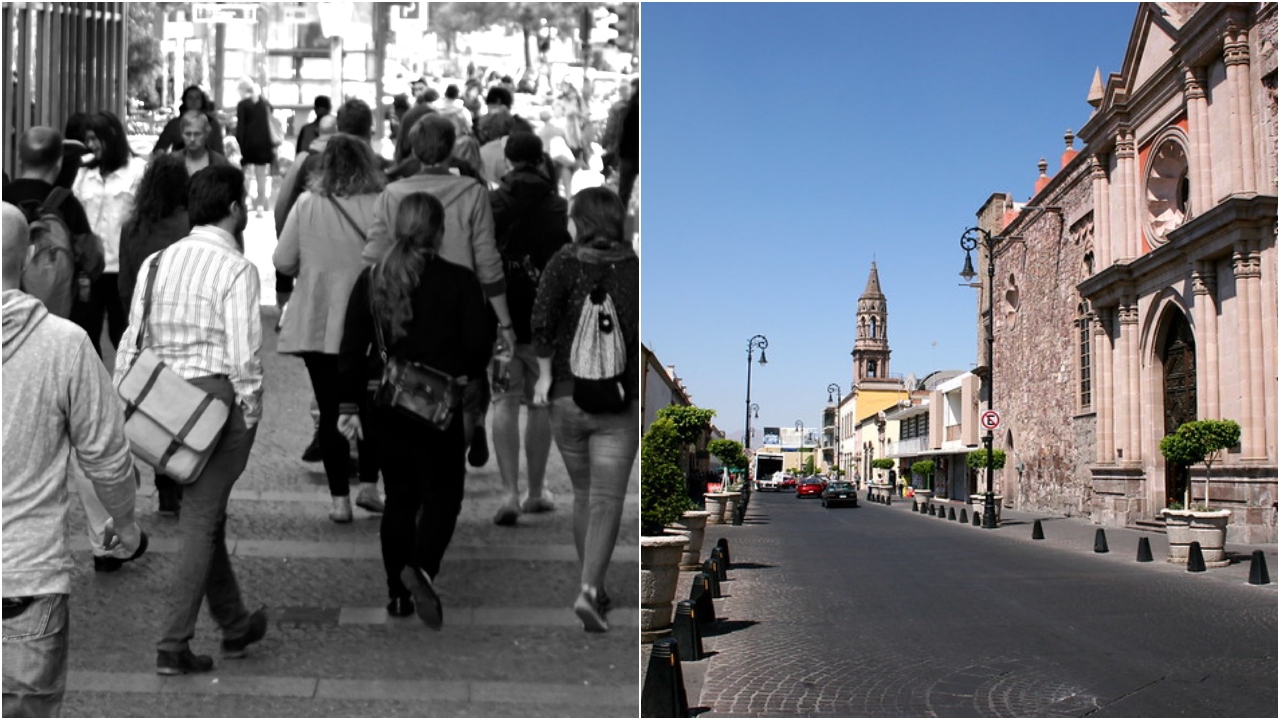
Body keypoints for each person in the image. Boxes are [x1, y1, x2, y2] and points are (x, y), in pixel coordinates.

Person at [113, 165, 267, 676]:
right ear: (234, 208)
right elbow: (244, 359)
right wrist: (250, 413)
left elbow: (132, 340)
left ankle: (234, 622)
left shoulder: (157, 262)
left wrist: (123, 401)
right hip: (214, 407)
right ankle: (172, 643)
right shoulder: (237, 270)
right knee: (202, 521)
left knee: (207, 517)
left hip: (161, 403)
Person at [2, 202, 143, 716]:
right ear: (29, 257)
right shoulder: (65, 345)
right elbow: (106, 457)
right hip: (25, 585)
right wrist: (124, 526)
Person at [336, 192, 494, 628]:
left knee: (399, 498)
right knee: (445, 495)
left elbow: (350, 349)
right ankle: (422, 567)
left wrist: (347, 405)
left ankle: (397, 594)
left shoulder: (372, 278)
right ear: (441, 233)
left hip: (385, 405)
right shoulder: (460, 281)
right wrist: (458, 371)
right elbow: (479, 346)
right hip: (438, 407)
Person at [363, 114, 517, 470]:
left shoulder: (392, 193)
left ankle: (415, 467)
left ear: (414, 149)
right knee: (463, 389)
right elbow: (487, 258)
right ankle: (453, 458)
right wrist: (504, 322)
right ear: (451, 149)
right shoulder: (473, 193)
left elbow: (372, 256)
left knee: (406, 382)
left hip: (403, 297)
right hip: (461, 304)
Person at [530, 187, 638, 632]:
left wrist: (541, 376)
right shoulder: (634, 270)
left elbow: (541, 321)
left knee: (583, 494)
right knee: (607, 500)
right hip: (617, 402)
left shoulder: (562, 262)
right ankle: (590, 589)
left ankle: (590, 583)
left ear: (581, 221)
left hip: (565, 398)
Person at [274, 135, 387, 522]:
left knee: (329, 408)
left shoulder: (307, 204)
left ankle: (339, 500)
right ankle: (370, 486)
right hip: (371, 325)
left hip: (318, 322)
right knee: (372, 405)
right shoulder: (381, 204)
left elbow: (283, 259)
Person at [489, 132, 571, 526]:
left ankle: (508, 492)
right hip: (543, 324)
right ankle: (535, 491)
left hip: (502, 319)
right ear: (540, 160)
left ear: (508, 161)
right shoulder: (556, 205)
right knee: (539, 405)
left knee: (503, 402)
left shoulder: (494, 202)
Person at [115, 154, 193, 517]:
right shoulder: (190, 225)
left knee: (154, 405)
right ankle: (176, 480)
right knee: (182, 406)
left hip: (146, 327)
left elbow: (125, 284)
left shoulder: (133, 227)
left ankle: (163, 483)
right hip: (184, 327)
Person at [72, 110, 147, 359]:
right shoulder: (83, 173)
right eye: (88, 139)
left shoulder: (137, 171)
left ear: (111, 137)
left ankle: (131, 388)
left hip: (122, 269)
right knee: (86, 334)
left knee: (123, 334)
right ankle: (94, 389)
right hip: (90, 270)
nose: (90, 145)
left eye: (95, 139)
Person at [234, 78, 276, 216]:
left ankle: (244, 203)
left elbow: (240, 127)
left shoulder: (242, 105)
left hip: (248, 144)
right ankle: (260, 207)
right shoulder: (264, 103)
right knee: (261, 176)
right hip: (264, 143)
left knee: (244, 173)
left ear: (242, 90)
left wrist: (238, 144)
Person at [152, 85, 225, 158]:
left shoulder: (213, 124)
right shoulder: (174, 124)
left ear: (202, 101)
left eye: (197, 98)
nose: (194, 101)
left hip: (207, 167)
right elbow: (158, 151)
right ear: (184, 101)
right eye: (190, 98)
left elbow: (219, 153)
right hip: (179, 166)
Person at [170, 111, 231, 177]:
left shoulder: (220, 163)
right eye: (188, 134)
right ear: (182, 134)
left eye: (197, 134)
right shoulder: (171, 162)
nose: (192, 139)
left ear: (206, 134)